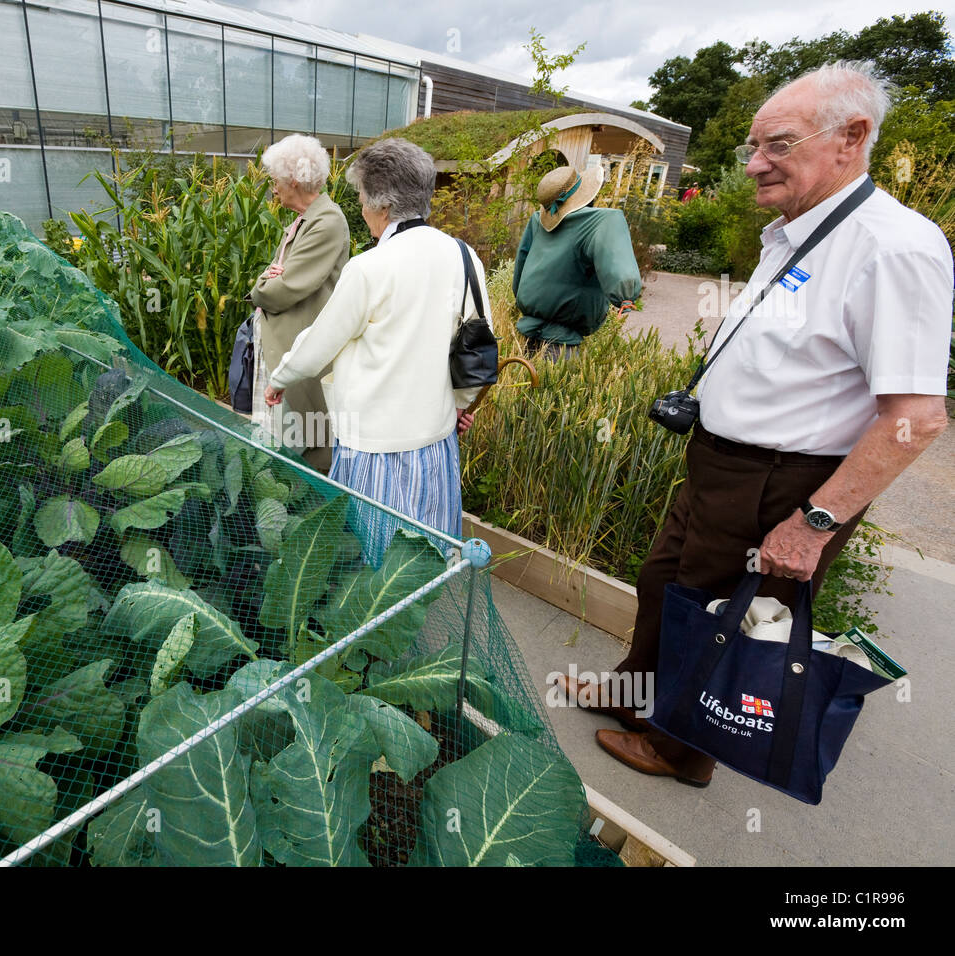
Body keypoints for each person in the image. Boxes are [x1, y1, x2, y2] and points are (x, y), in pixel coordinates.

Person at [557, 61, 953, 786]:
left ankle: (682, 751)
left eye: (775, 144)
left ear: (852, 137)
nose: (753, 164)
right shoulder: (802, 231)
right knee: (666, 582)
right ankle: (637, 692)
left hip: (783, 479)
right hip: (725, 462)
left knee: (727, 618)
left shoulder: (893, 246)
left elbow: (917, 418)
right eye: (751, 145)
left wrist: (814, 523)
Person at [264, 137, 488, 564]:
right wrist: (460, 404)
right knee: (424, 557)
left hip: (376, 451)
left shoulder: (370, 268)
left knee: (374, 564)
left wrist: (280, 378)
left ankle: (376, 627)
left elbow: (319, 343)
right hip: (436, 446)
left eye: (363, 198)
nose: (362, 208)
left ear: (382, 206)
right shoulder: (464, 256)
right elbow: (476, 342)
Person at [250, 134, 351, 472]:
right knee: (285, 443)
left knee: (308, 444)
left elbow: (278, 290)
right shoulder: (304, 221)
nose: (273, 188)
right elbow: (278, 277)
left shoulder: (327, 222)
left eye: (276, 180)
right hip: (286, 349)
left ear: (293, 180)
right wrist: (271, 275)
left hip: (302, 351)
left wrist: (264, 283)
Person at [512, 164, 641, 360]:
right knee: (556, 389)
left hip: (524, 335)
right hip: (561, 347)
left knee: (521, 388)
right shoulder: (599, 222)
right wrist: (626, 295)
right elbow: (617, 259)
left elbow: (520, 272)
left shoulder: (537, 221)